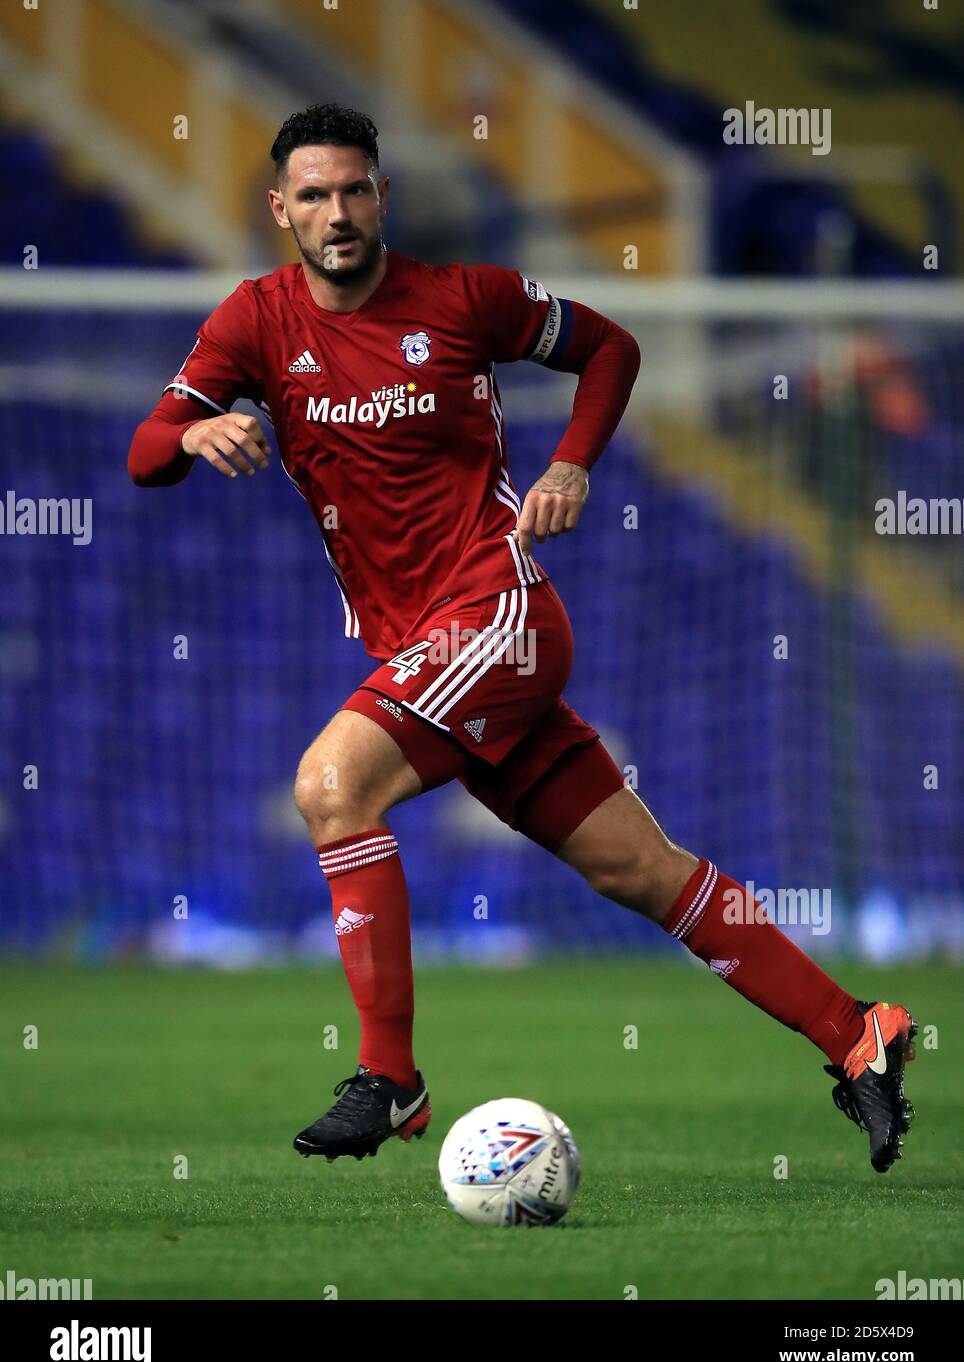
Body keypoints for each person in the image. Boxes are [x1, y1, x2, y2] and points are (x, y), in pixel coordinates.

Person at [128, 103, 915, 1174]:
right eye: (313, 195)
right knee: (637, 867)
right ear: (281, 209)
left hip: (498, 613)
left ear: (383, 196)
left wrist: (572, 464)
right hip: (423, 642)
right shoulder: (254, 321)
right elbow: (145, 453)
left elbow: (611, 348)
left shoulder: (466, 298)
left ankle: (389, 1076)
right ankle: (858, 1031)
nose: (337, 212)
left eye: (354, 189)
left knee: (331, 785)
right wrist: (193, 431)